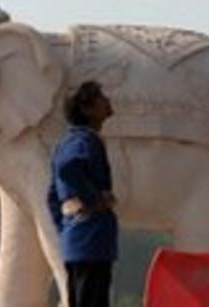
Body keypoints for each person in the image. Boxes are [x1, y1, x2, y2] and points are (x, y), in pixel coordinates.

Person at [48, 81, 118, 307]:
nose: (107, 100)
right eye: (100, 97)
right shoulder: (84, 140)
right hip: (91, 238)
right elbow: (69, 167)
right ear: (87, 109)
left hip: (77, 240)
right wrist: (94, 200)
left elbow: (52, 197)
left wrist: (67, 226)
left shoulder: (66, 142)